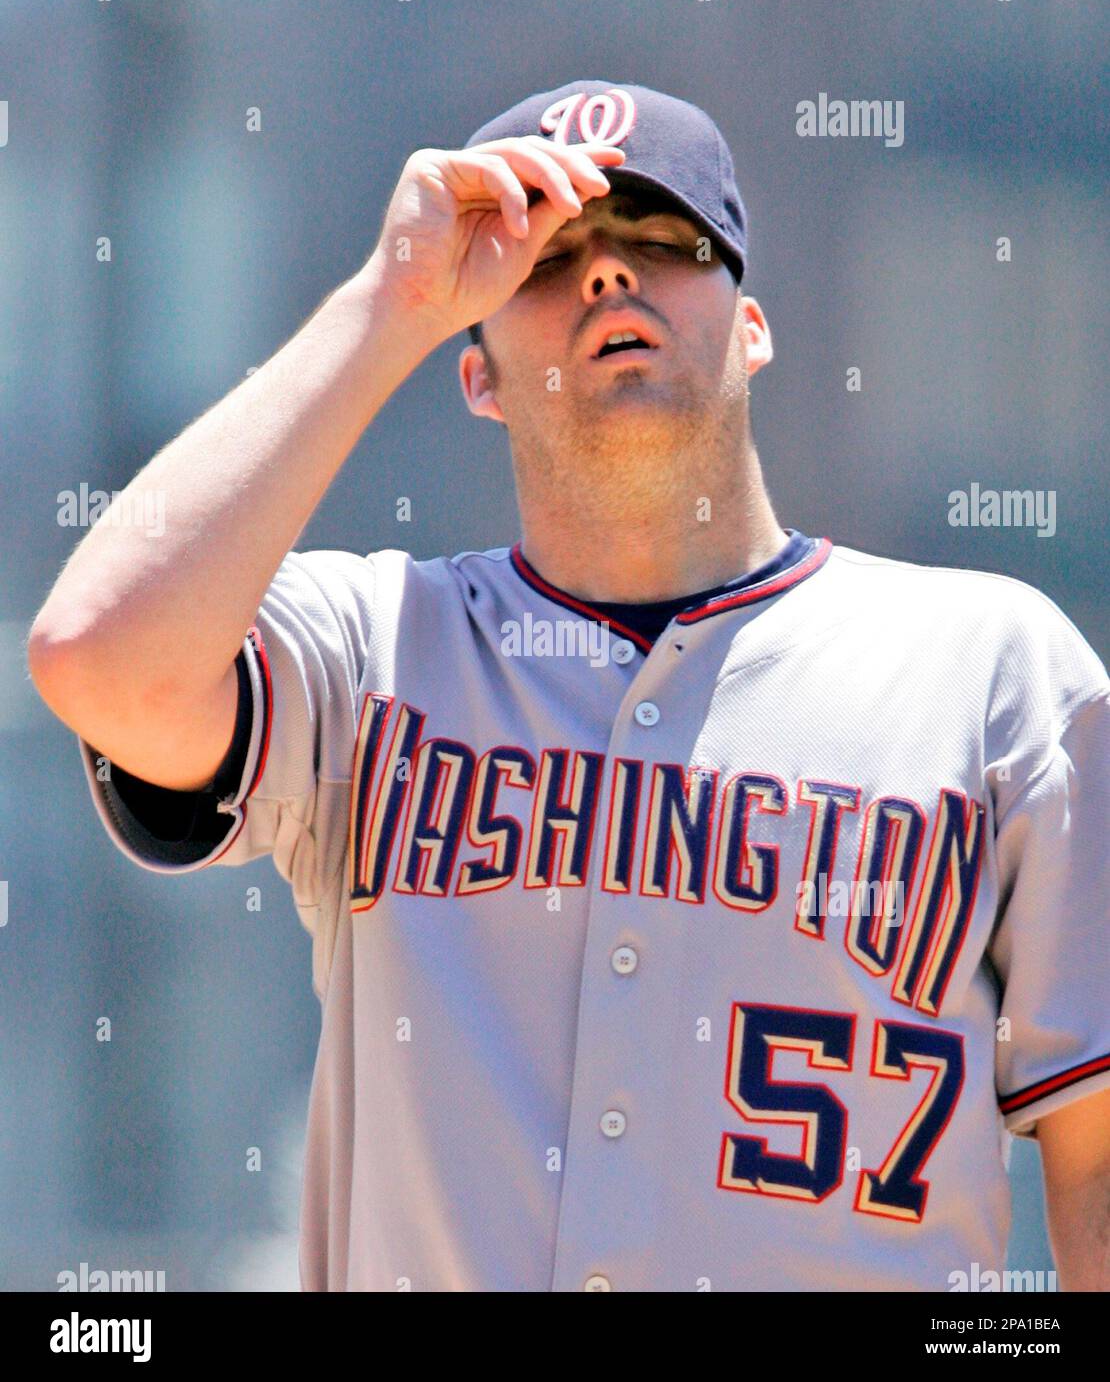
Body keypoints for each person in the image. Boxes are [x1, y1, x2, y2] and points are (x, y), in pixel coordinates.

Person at [28, 80, 1110, 1292]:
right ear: (475, 373)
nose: (609, 275)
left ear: (750, 328)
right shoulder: (373, 649)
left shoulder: (994, 671)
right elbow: (97, 659)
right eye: (545, 256)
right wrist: (389, 304)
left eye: (663, 240)